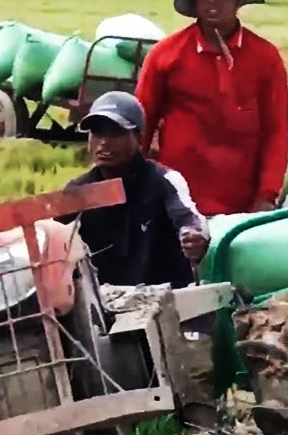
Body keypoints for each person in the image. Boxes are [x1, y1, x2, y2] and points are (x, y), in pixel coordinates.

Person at [134, 0, 288, 217]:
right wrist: (133, 181)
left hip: (242, 200)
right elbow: (141, 122)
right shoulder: (165, 55)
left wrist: (267, 195)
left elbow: (276, 131)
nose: (213, 0)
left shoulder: (266, 58)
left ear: (239, 0)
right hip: (175, 194)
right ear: (194, 0)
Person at [64, 92, 210, 289]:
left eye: (116, 132)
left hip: (163, 299)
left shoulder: (163, 181)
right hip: (104, 303)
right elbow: (49, 234)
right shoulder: (79, 191)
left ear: (139, 137)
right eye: (97, 132)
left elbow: (189, 219)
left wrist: (194, 237)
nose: (104, 142)